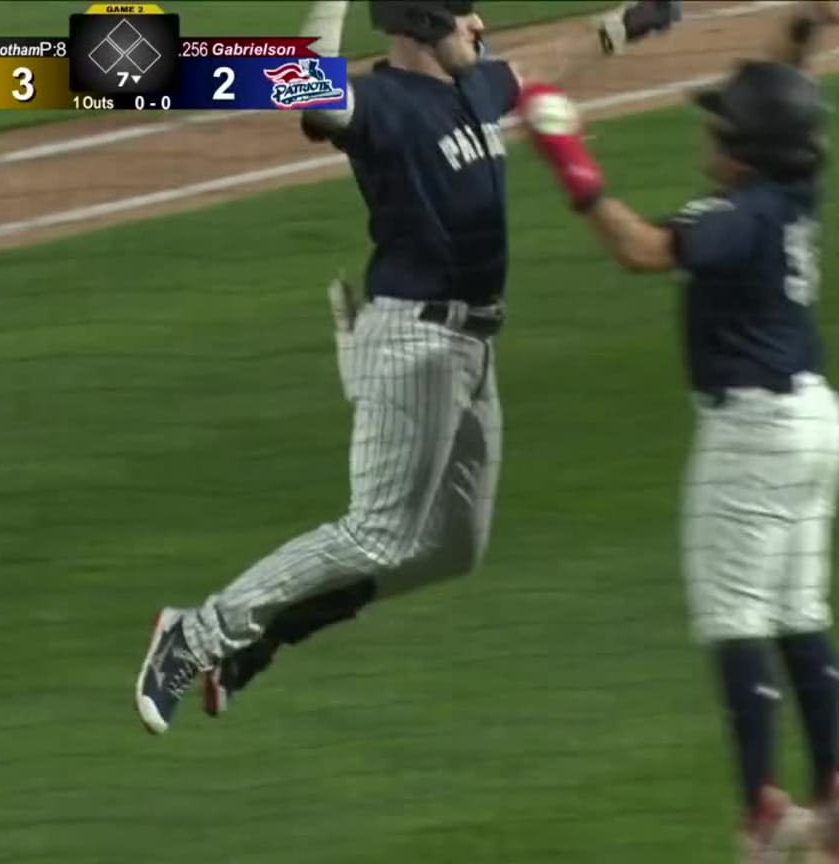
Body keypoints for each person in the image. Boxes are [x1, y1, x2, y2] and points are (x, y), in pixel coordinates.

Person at [133, 0, 676, 736]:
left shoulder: (469, 87)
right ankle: (194, 636)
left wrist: (624, 24)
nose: (480, 26)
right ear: (423, 24)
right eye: (464, 16)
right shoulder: (379, 103)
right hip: (412, 344)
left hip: (472, 349)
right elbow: (302, 82)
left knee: (453, 548)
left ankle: (260, 641)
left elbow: (540, 66)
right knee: (378, 534)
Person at [513, 2, 839, 860]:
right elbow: (796, 103)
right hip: (818, 422)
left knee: (733, 618)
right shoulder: (795, 185)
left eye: (720, 126)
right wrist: (803, 36)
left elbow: (640, 249)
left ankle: (763, 811)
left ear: (745, 151)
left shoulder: (739, 216)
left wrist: (565, 153)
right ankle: (833, 787)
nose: (708, 133)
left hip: (753, 434)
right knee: (798, 610)